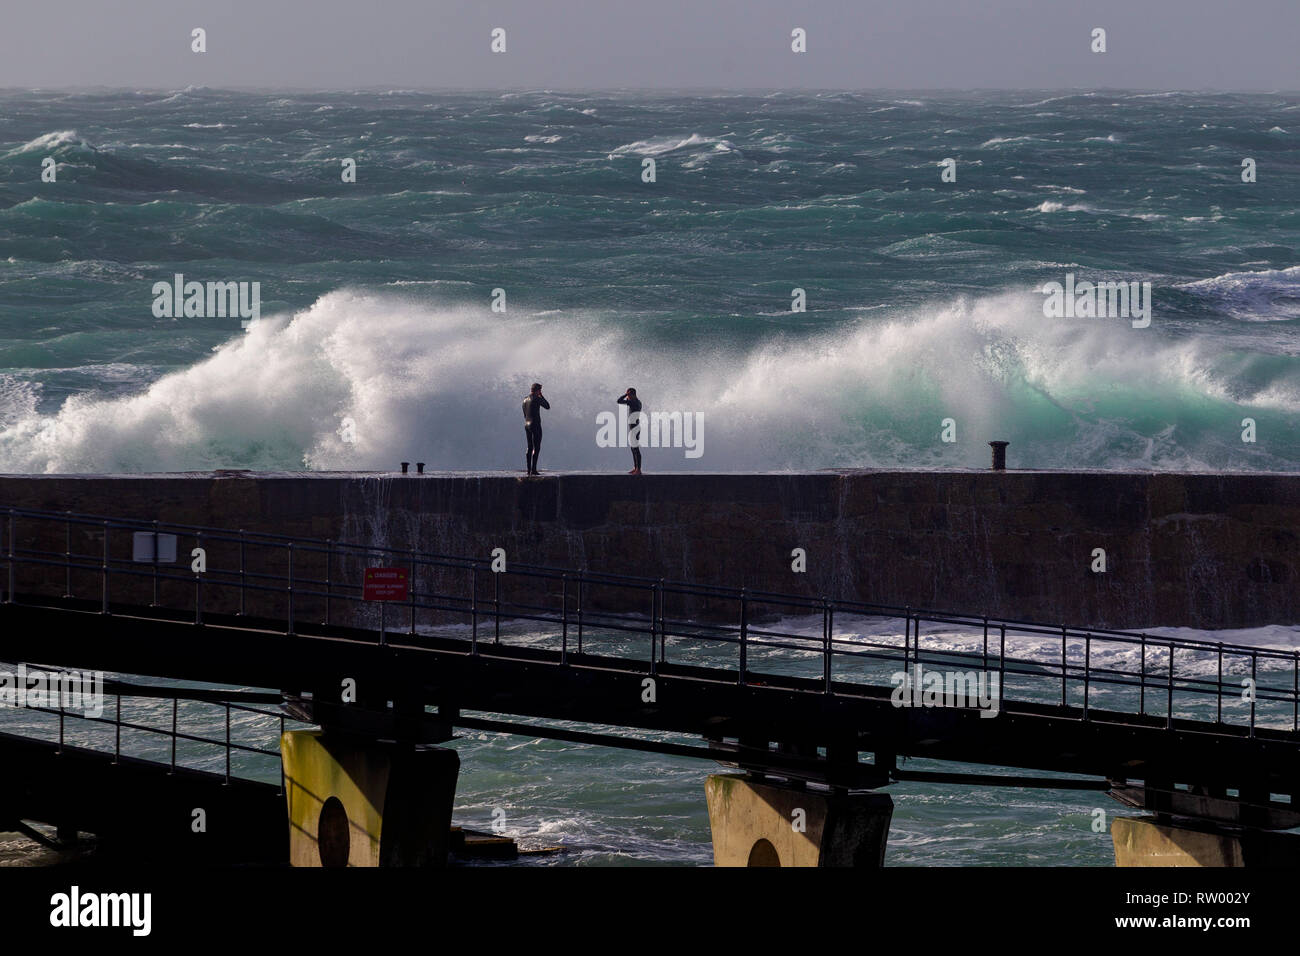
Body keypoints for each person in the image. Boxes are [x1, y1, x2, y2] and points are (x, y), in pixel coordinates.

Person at [522, 382, 549, 475]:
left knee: (529, 447)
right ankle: (533, 469)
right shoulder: (537, 398)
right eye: (540, 390)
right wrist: (542, 396)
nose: (540, 392)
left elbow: (525, 413)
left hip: (527, 425)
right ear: (538, 390)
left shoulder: (525, 399)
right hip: (535, 425)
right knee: (536, 447)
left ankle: (528, 470)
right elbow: (547, 406)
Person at [617, 387, 643, 475]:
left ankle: (638, 469)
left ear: (632, 395)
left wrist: (625, 395)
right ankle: (636, 468)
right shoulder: (636, 401)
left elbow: (619, 401)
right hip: (634, 427)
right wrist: (628, 395)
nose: (627, 397)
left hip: (634, 428)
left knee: (635, 449)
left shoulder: (633, 402)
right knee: (633, 448)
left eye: (628, 395)